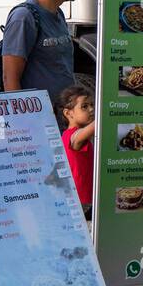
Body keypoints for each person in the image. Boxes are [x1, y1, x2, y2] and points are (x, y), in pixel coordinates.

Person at [2, 0, 81, 109]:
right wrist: (24, 122)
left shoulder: (58, 13)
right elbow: (9, 79)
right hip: (38, 120)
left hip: (61, 117)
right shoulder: (23, 17)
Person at [59, 84, 95, 219]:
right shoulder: (74, 136)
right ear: (68, 113)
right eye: (84, 106)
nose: (91, 109)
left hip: (82, 199)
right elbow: (96, 126)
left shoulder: (68, 134)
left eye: (92, 105)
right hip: (82, 202)